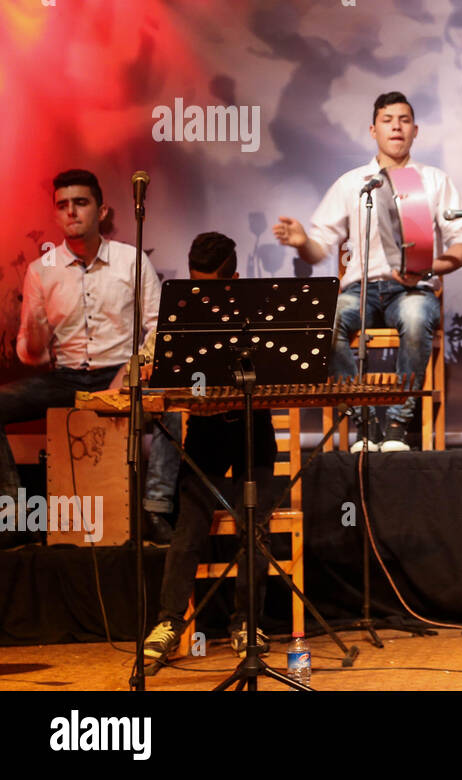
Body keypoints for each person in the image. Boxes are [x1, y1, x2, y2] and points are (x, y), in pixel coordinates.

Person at [273, 92, 462, 451]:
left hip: (414, 289)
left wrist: (428, 267)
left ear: (416, 130)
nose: (396, 126)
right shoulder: (354, 183)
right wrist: (302, 241)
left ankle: (397, 424)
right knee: (328, 320)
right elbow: (320, 246)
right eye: (387, 119)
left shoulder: (433, 181)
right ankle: (364, 421)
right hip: (360, 290)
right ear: (373, 130)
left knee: (415, 317)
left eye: (404, 120)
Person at [2, 170, 163, 548]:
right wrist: (37, 335)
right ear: (56, 215)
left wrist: (133, 368)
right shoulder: (41, 271)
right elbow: (31, 352)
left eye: (81, 202)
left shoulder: (131, 260)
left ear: (102, 210)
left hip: (120, 373)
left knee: (172, 410)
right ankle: (12, 516)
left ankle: (155, 512)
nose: (72, 212)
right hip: (67, 378)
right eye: (63, 205)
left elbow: (159, 328)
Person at [142, 233, 279, 674]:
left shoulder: (258, 314)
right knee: (189, 525)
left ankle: (247, 623)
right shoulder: (180, 314)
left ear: (234, 279)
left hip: (253, 429)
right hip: (204, 432)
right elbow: (146, 361)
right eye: (194, 283)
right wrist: (145, 367)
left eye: (210, 285)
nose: (200, 293)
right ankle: (168, 622)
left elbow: (283, 369)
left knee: (252, 523)